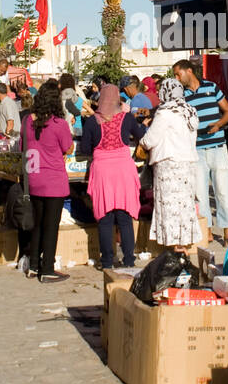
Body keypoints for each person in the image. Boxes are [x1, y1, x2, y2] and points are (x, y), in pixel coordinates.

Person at [83, 83, 147, 268]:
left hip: (102, 171)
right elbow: (140, 135)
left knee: (105, 217)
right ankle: (128, 260)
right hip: (123, 170)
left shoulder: (92, 121)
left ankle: (107, 261)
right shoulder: (126, 118)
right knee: (125, 217)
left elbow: (86, 148)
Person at [174, 59, 228, 244]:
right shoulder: (181, 95)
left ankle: (227, 232)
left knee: (224, 191)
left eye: (178, 74)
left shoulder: (212, 87)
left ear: (189, 71)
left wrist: (218, 124)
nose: (177, 78)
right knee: (200, 194)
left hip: (218, 147)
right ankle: (207, 231)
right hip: (196, 151)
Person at [140, 78, 205, 249]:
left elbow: (150, 140)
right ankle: (185, 243)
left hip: (169, 165)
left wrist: (142, 141)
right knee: (185, 205)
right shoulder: (190, 111)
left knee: (170, 207)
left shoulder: (165, 112)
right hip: (188, 165)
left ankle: (175, 246)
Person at [20, 85, 74, 283]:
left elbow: (21, 146)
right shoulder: (59, 123)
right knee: (51, 226)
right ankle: (48, 269)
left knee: (38, 224)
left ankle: (34, 265)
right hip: (53, 180)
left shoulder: (27, 120)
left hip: (33, 178)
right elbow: (68, 147)